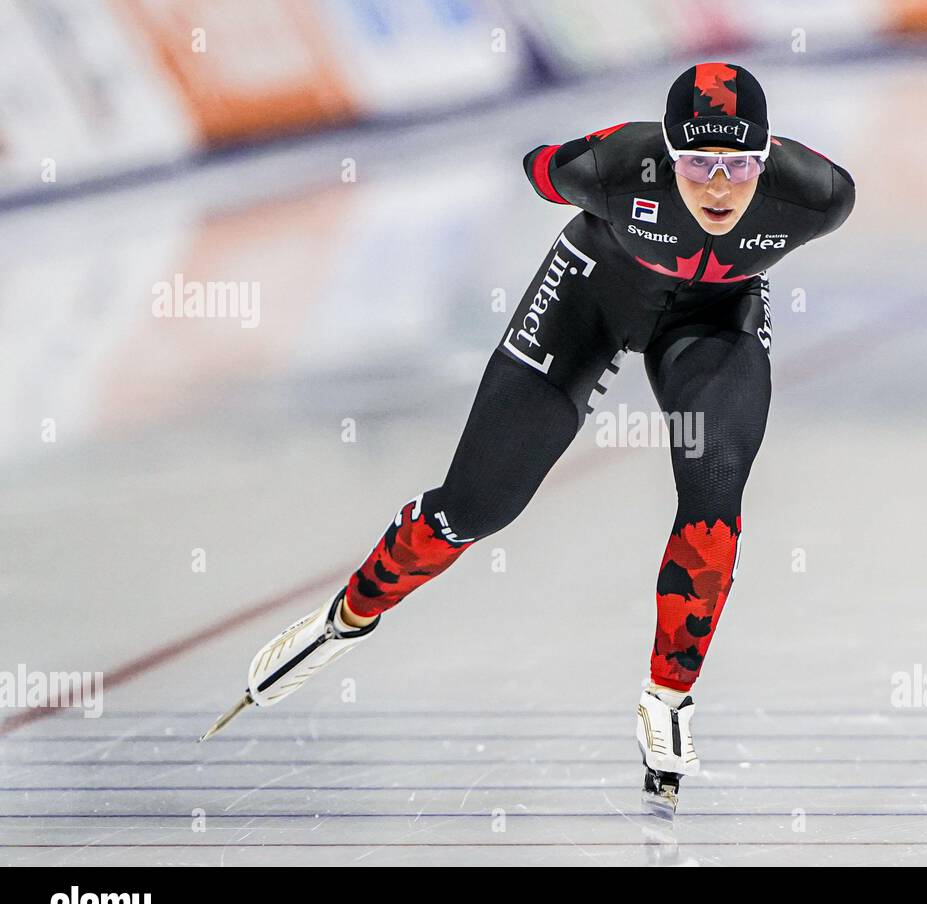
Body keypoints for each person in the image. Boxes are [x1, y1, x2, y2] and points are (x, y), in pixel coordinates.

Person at [202, 62, 855, 815]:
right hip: (591, 297)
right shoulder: (609, 168)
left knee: (715, 496)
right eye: (698, 163)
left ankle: (669, 699)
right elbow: (535, 167)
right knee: (478, 508)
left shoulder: (818, 195)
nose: (718, 186)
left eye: (739, 165)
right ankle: (348, 613)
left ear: (767, 158)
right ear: (666, 154)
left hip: (714, 322)